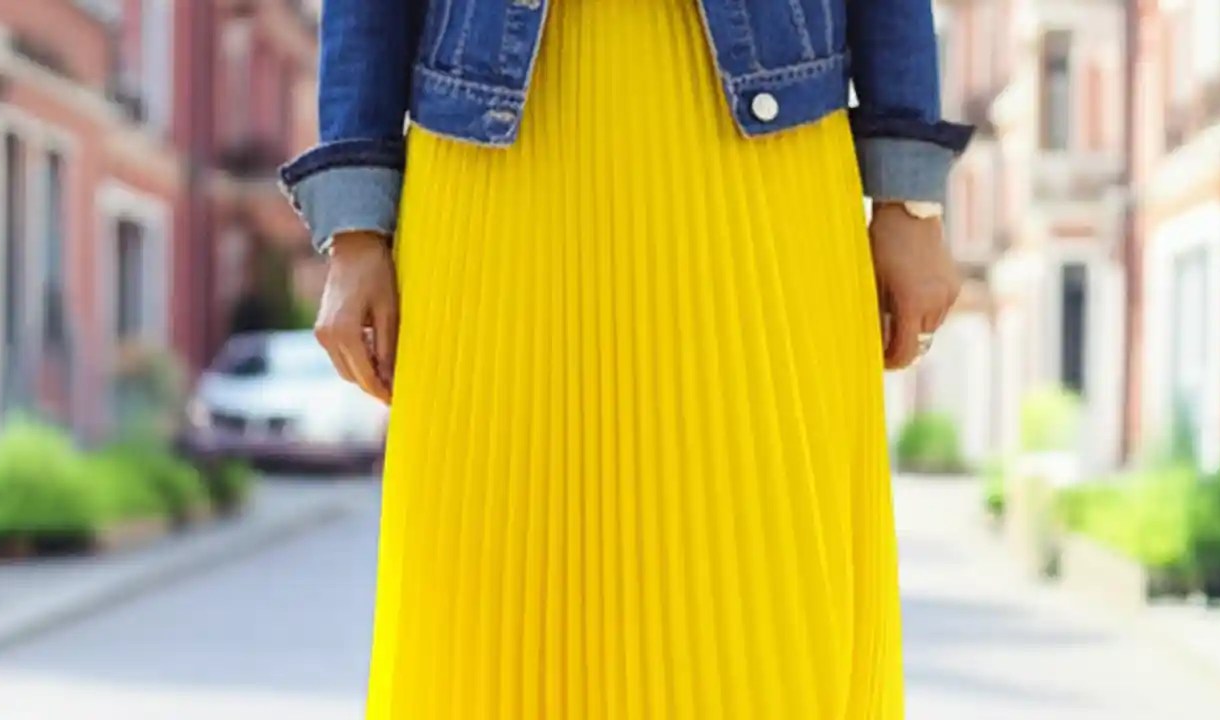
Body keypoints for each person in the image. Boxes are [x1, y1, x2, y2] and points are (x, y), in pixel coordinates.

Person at [281, 0, 972, 717]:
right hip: (494, 161)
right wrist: (355, 227)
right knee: (492, 596)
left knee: (762, 598)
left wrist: (908, 200)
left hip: (765, 156)